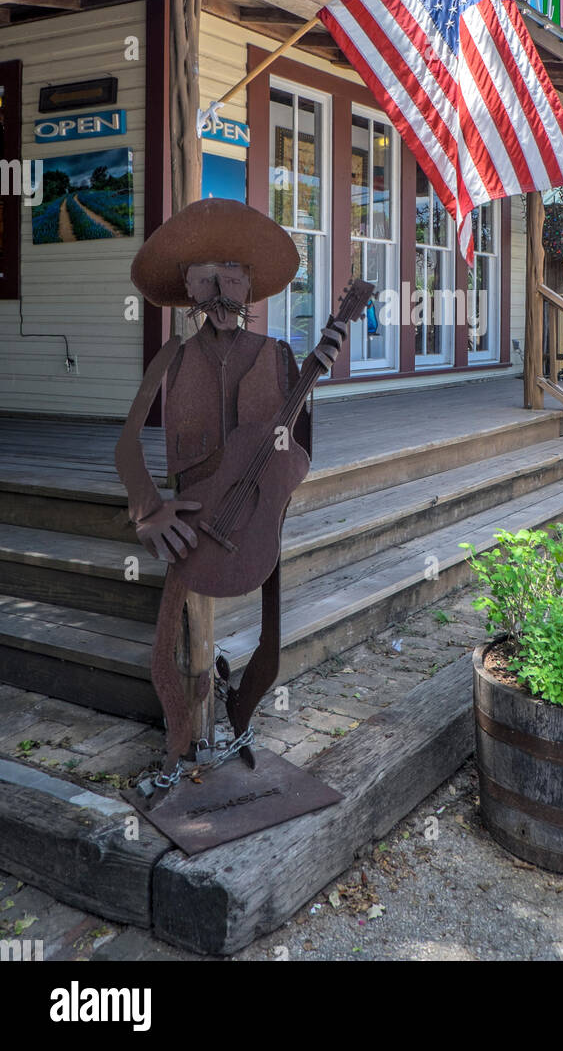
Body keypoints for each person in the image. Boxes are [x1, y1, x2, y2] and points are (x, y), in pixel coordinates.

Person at [115, 198, 346, 781]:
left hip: (258, 516)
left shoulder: (277, 354)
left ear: (250, 288)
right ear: (188, 290)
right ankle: (178, 739)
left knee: (272, 629)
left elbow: (301, 445)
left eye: (232, 277)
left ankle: (242, 716)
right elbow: (127, 444)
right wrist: (149, 510)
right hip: (192, 517)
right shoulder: (171, 356)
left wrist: (307, 388)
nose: (219, 291)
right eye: (203, 279)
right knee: (164, 647)